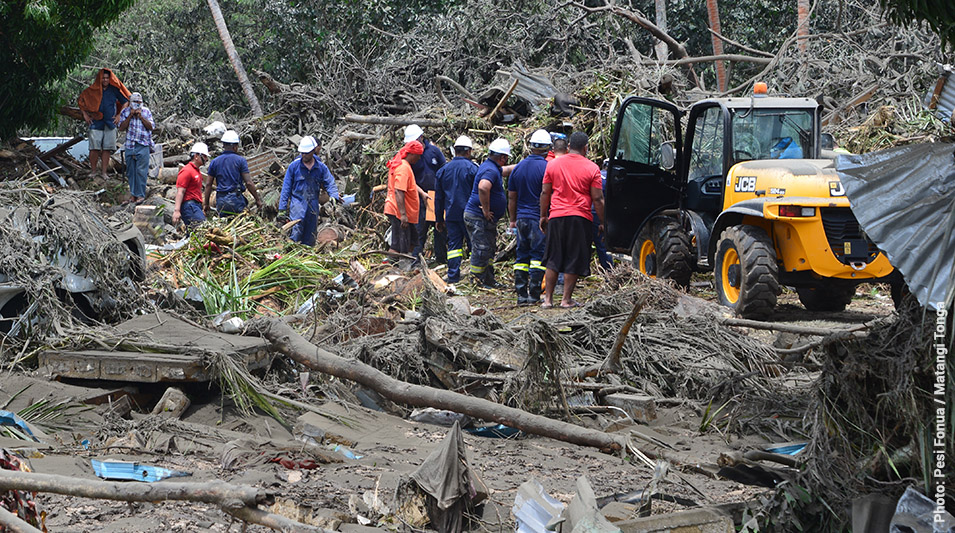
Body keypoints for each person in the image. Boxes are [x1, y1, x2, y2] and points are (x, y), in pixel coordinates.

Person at [539, 132, 605, 308]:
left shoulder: (553, 165)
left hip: (557, 216)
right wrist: (603, 222)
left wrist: (543, 215)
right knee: (573, 258)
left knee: (553, 257)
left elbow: (545, 192)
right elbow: (598, 199)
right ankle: (566, 300)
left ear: (568, 147)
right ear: (585, 148)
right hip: (580, 217)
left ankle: (548, 300)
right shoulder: (592, 168)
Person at [507, 130, 550, 304]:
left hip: (521, 219)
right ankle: (534, 294)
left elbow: (511, 196)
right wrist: (544, 216)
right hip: (537, 218)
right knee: (537, 257)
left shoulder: (518, 167)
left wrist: (512, 219)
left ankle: (521, 295)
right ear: (548, 148)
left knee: (521, 256)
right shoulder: (547, 168)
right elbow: (548, 193)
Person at [463, 138, 510, 288]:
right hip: (477, 216)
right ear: (502, 157)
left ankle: (489, 279)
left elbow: (506, 170)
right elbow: (483, 187)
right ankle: (476, 280)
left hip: (482, 218)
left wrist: (525, 165)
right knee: (481, 249)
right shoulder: (490, 170)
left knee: (489, 248)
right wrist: (485, 209)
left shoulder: (492, 167)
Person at [278, 136, 341, 246]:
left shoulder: (320, 167)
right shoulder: (294, 167)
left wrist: (334, 195)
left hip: (313, 203)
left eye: (306, 153)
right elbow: (286, 188)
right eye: (302, 153)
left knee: (311, 233)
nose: (303, 155)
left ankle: (307, 255)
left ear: (313, 152)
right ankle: (293, 251)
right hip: (297, 204)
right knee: (296, 230)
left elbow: (329, 181)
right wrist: (282, 208)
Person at [434, 136, 478, 283]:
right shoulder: (473, 169)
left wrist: (438, 219)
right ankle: (476, 276)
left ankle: (453, 276)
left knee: (454, 246)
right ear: (469, 151)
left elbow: (438, 198)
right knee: (473, 244)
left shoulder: (443, 170)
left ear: (455, 151)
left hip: (451, 215)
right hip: (470, 214)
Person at [404, 124, 448, 264]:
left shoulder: (434, 151)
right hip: (418, 198)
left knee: (439, 228)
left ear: (421, 138)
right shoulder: (409, 155)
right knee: (419, 230)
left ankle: (441, 259)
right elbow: (408, 177)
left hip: (436, 197)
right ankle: (416, 260)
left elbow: (444, 170)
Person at [78, 68, 129, 180]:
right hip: (95, 122)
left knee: (107, 148)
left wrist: (119, 115)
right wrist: (85, 115)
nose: (105, 80)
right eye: (103, 78)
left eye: (107, 78)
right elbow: (81, 100)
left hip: (110, 122)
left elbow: (125, 102)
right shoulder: (92, 90)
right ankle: (93, 171)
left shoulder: (114, 89)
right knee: (94, 148)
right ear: (99, 79)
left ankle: (104, 172)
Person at [203, 130, 263, 217]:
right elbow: (249, 183)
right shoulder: (240, 161)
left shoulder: (215, 162)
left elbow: (208, 184)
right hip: (236, 200)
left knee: (224, 227)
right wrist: (257, 200)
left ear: (224, 145)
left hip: (221, 200)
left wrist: (206, 204)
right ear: (235, 146)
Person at [384, 140, 426, 254]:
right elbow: (399, 191)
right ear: (411, 154)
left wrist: (422, 193)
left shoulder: (404, 165)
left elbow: (409, 184)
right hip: (398, 211)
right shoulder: (403, 168)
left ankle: (404, 264)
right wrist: (403, 215)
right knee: (398, 245)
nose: (419, 159)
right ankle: (392, 267)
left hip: (403, 212)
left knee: (411, 240)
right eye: (418, 156)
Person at [117, 92, 154, 204]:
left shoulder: (146, 111)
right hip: (130, 144)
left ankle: (141, 195)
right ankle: (133, 195)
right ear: (130, 103)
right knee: (131, 171)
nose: (137, 104)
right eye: (135, 102)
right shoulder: (125, 112)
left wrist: (140, 116)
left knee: (141, 171)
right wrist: (130, 116)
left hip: (143, 144)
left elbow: (151, 126)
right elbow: (121, 127)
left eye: (139, 102)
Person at [172, 142, 209, 228]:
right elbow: (180, 191)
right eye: (204, 156)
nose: (206, 159)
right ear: (196, 156)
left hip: (195, 206)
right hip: (189, 206)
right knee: (202, 229)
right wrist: (177, 210)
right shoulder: (187, 171)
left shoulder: (197, 171)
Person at [592, 159, 613, 270]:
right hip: (599, 213)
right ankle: (609, 273)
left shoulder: (596, 175)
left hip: (585, 211)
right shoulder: (611, 179)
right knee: (602, 245)